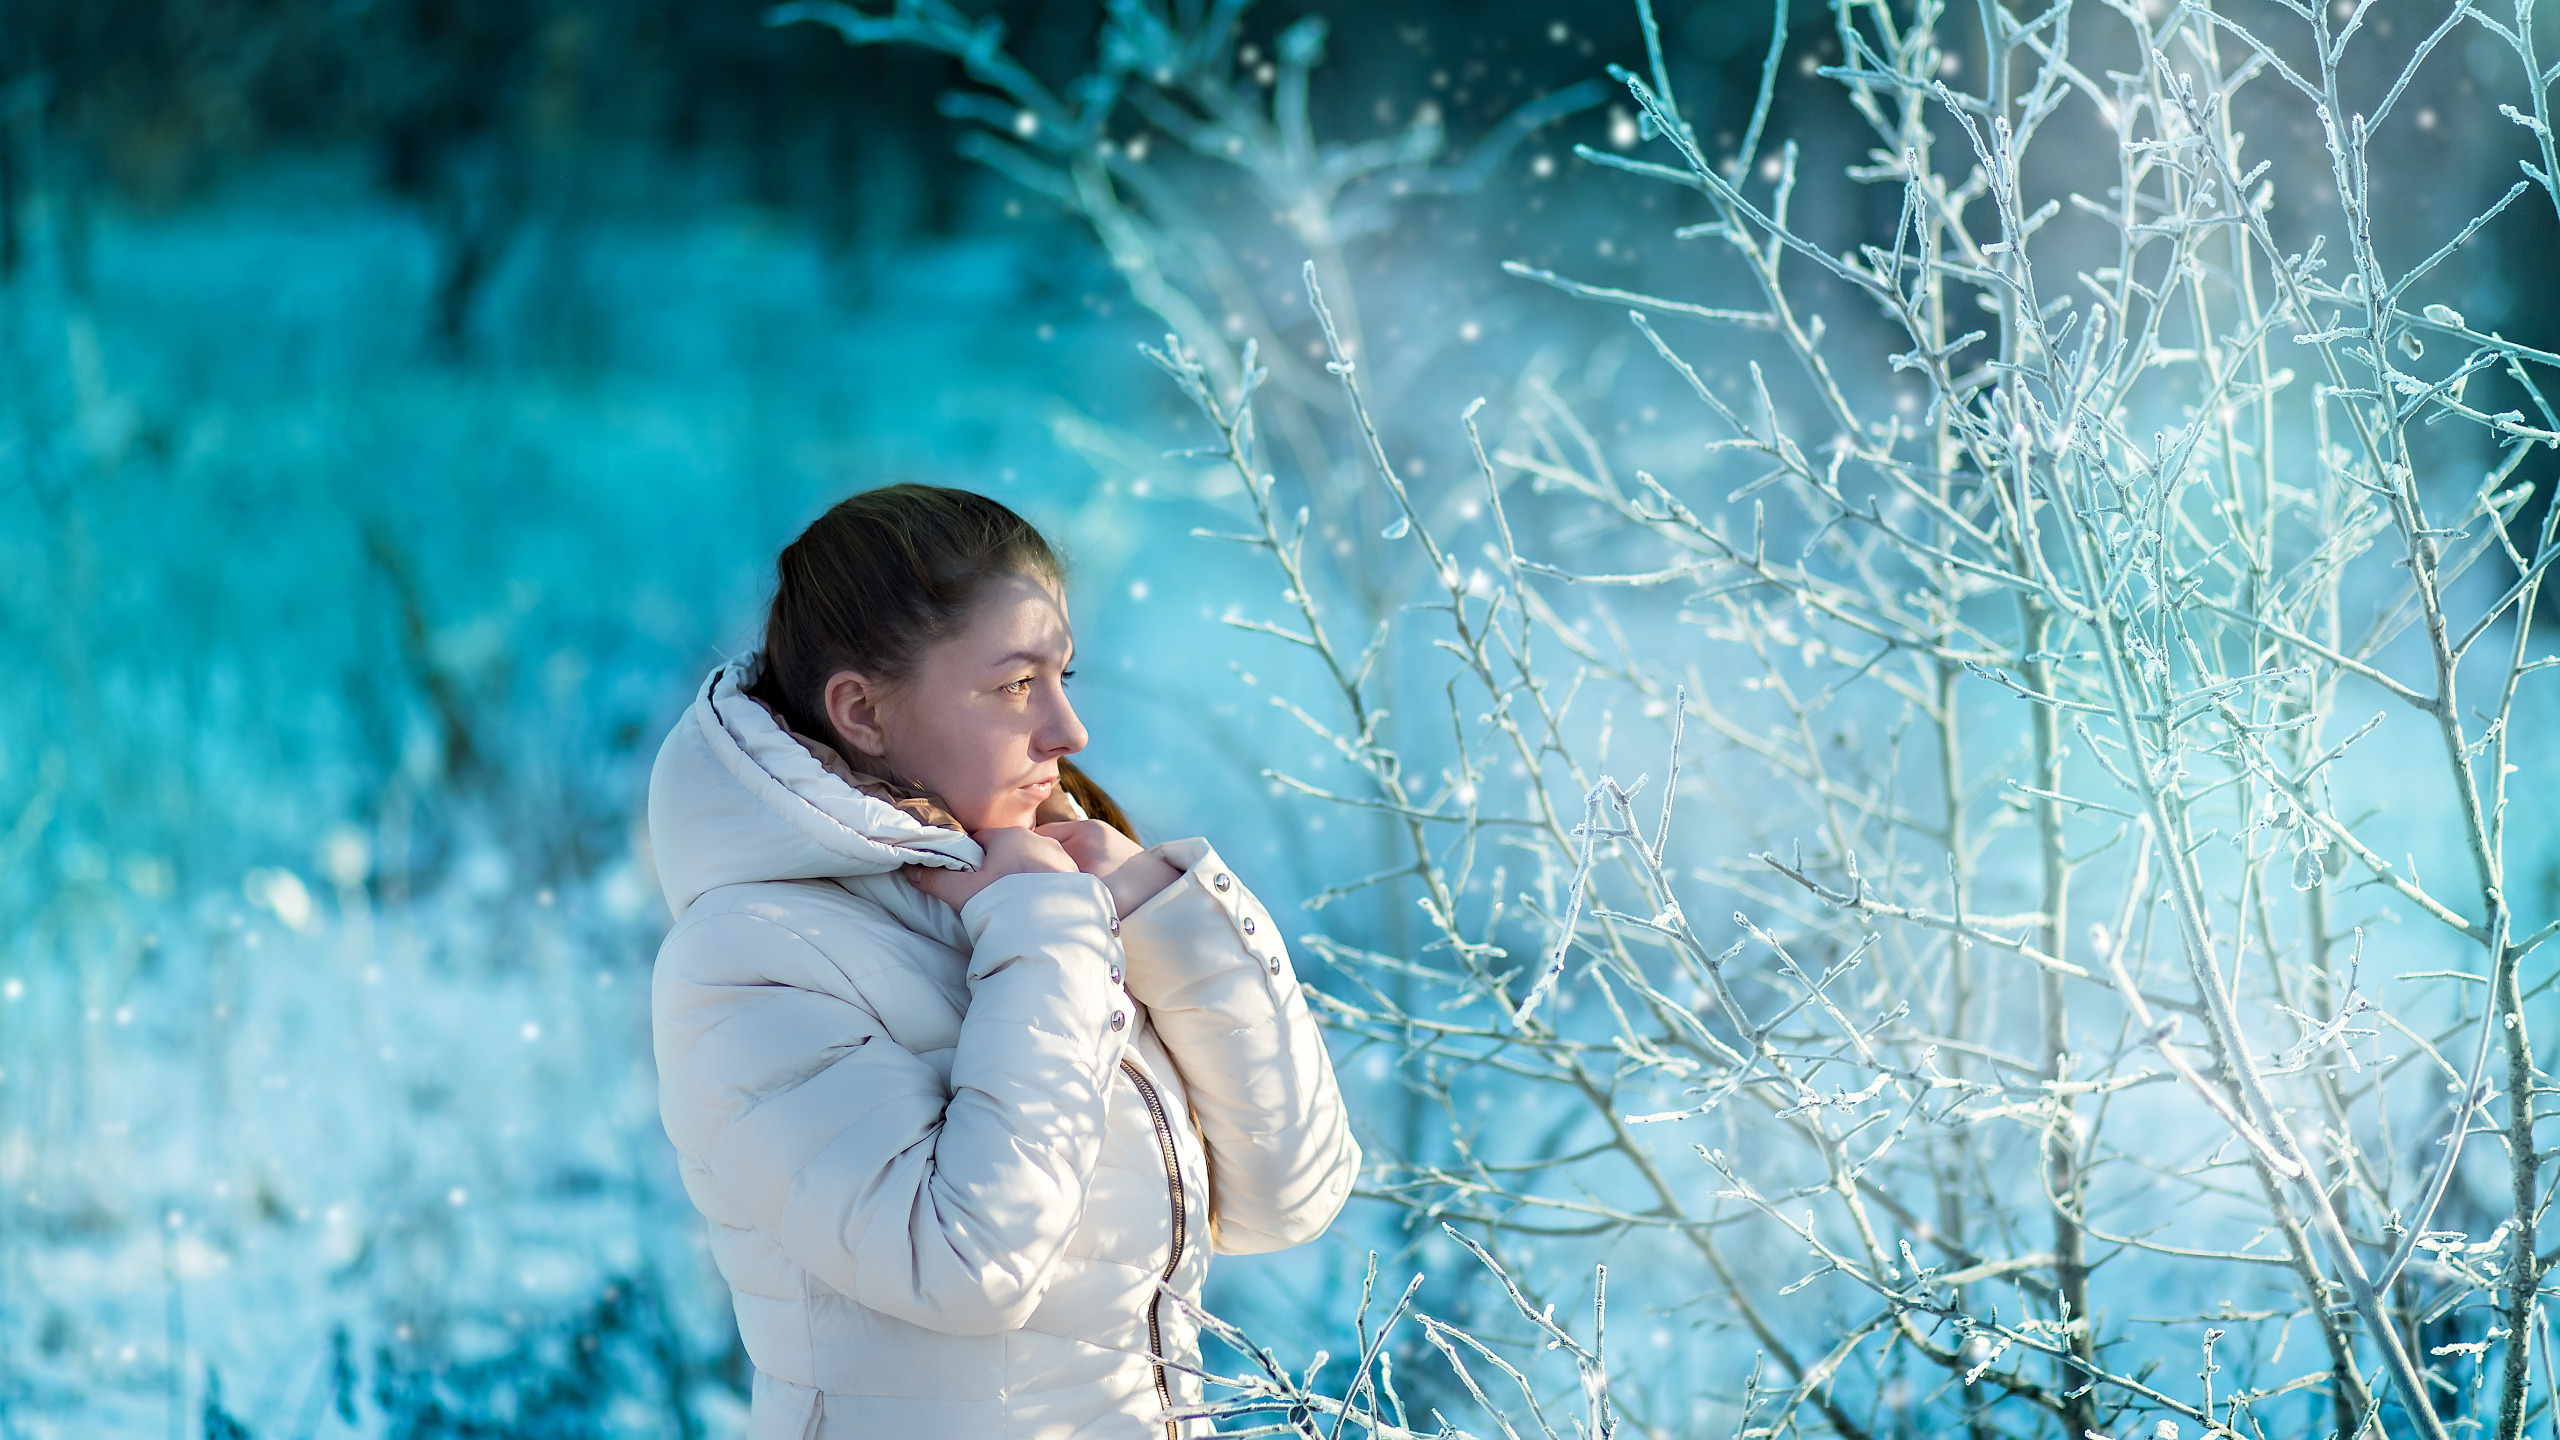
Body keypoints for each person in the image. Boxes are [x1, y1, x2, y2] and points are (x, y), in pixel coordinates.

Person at [645, 483, 1359, 1439]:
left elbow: (1291, 1197)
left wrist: (1162, 916)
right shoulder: (747, 962)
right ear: (862, 711)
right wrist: (1042, 932)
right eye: (1017, 685)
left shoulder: (1056, 897)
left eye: (1064, 676)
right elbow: (969, 1266)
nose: (1069, 731)